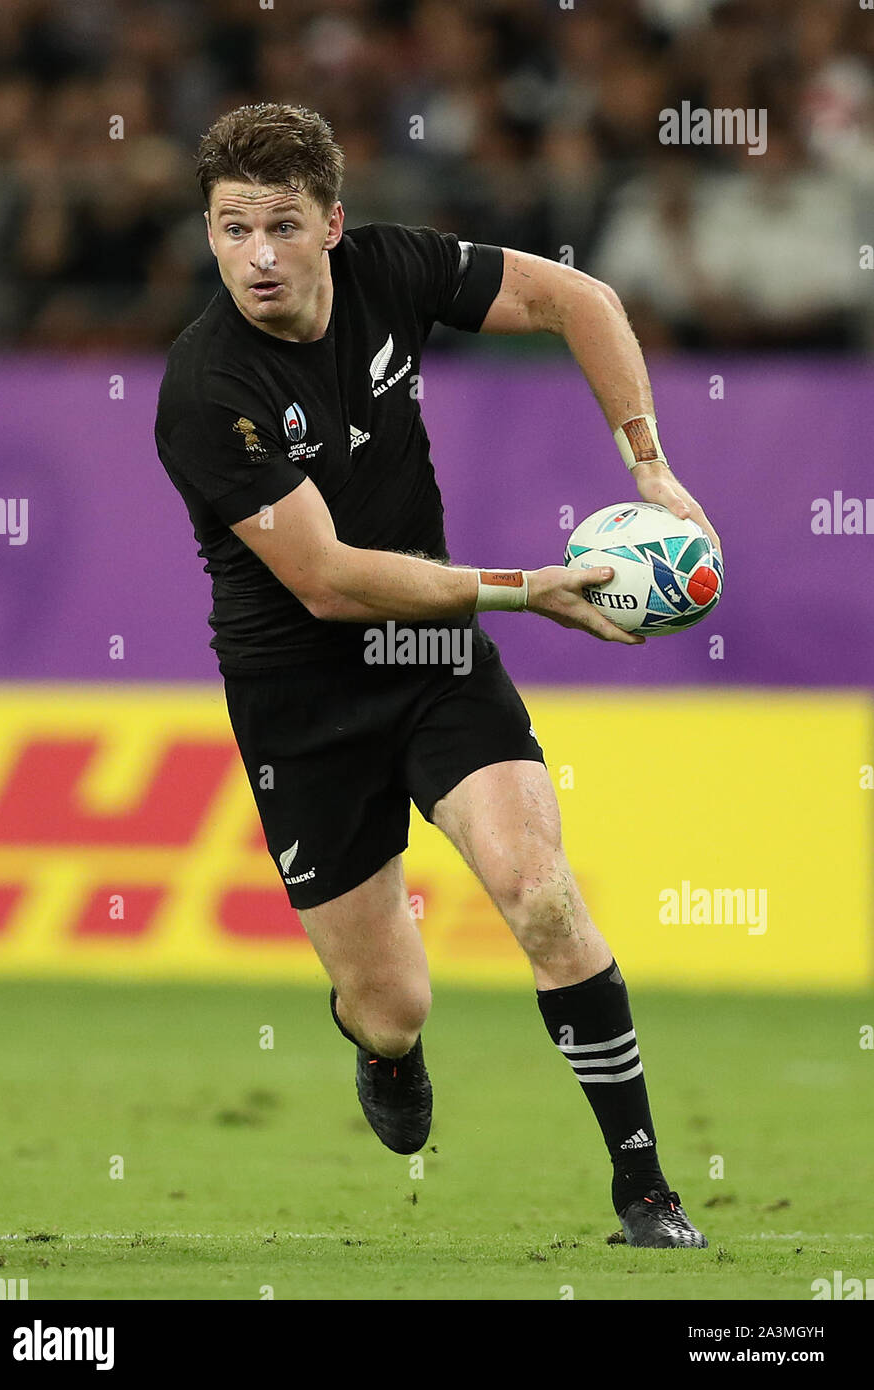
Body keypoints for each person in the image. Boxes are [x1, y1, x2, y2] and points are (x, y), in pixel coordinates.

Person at [155, 102, 721, 1249]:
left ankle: (644, 1191)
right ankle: (382, 1050)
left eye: (280, 224)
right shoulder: (207, 387)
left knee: (541, 891)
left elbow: (581, 300)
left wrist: (648, 465)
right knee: (392, 1003)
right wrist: (534, 588)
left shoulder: (393, 268)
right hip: (300, 697)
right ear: (208, 234)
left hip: (431, 659)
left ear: (332, 225)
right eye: (229, 229)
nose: (255, 255)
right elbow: (325, 581)